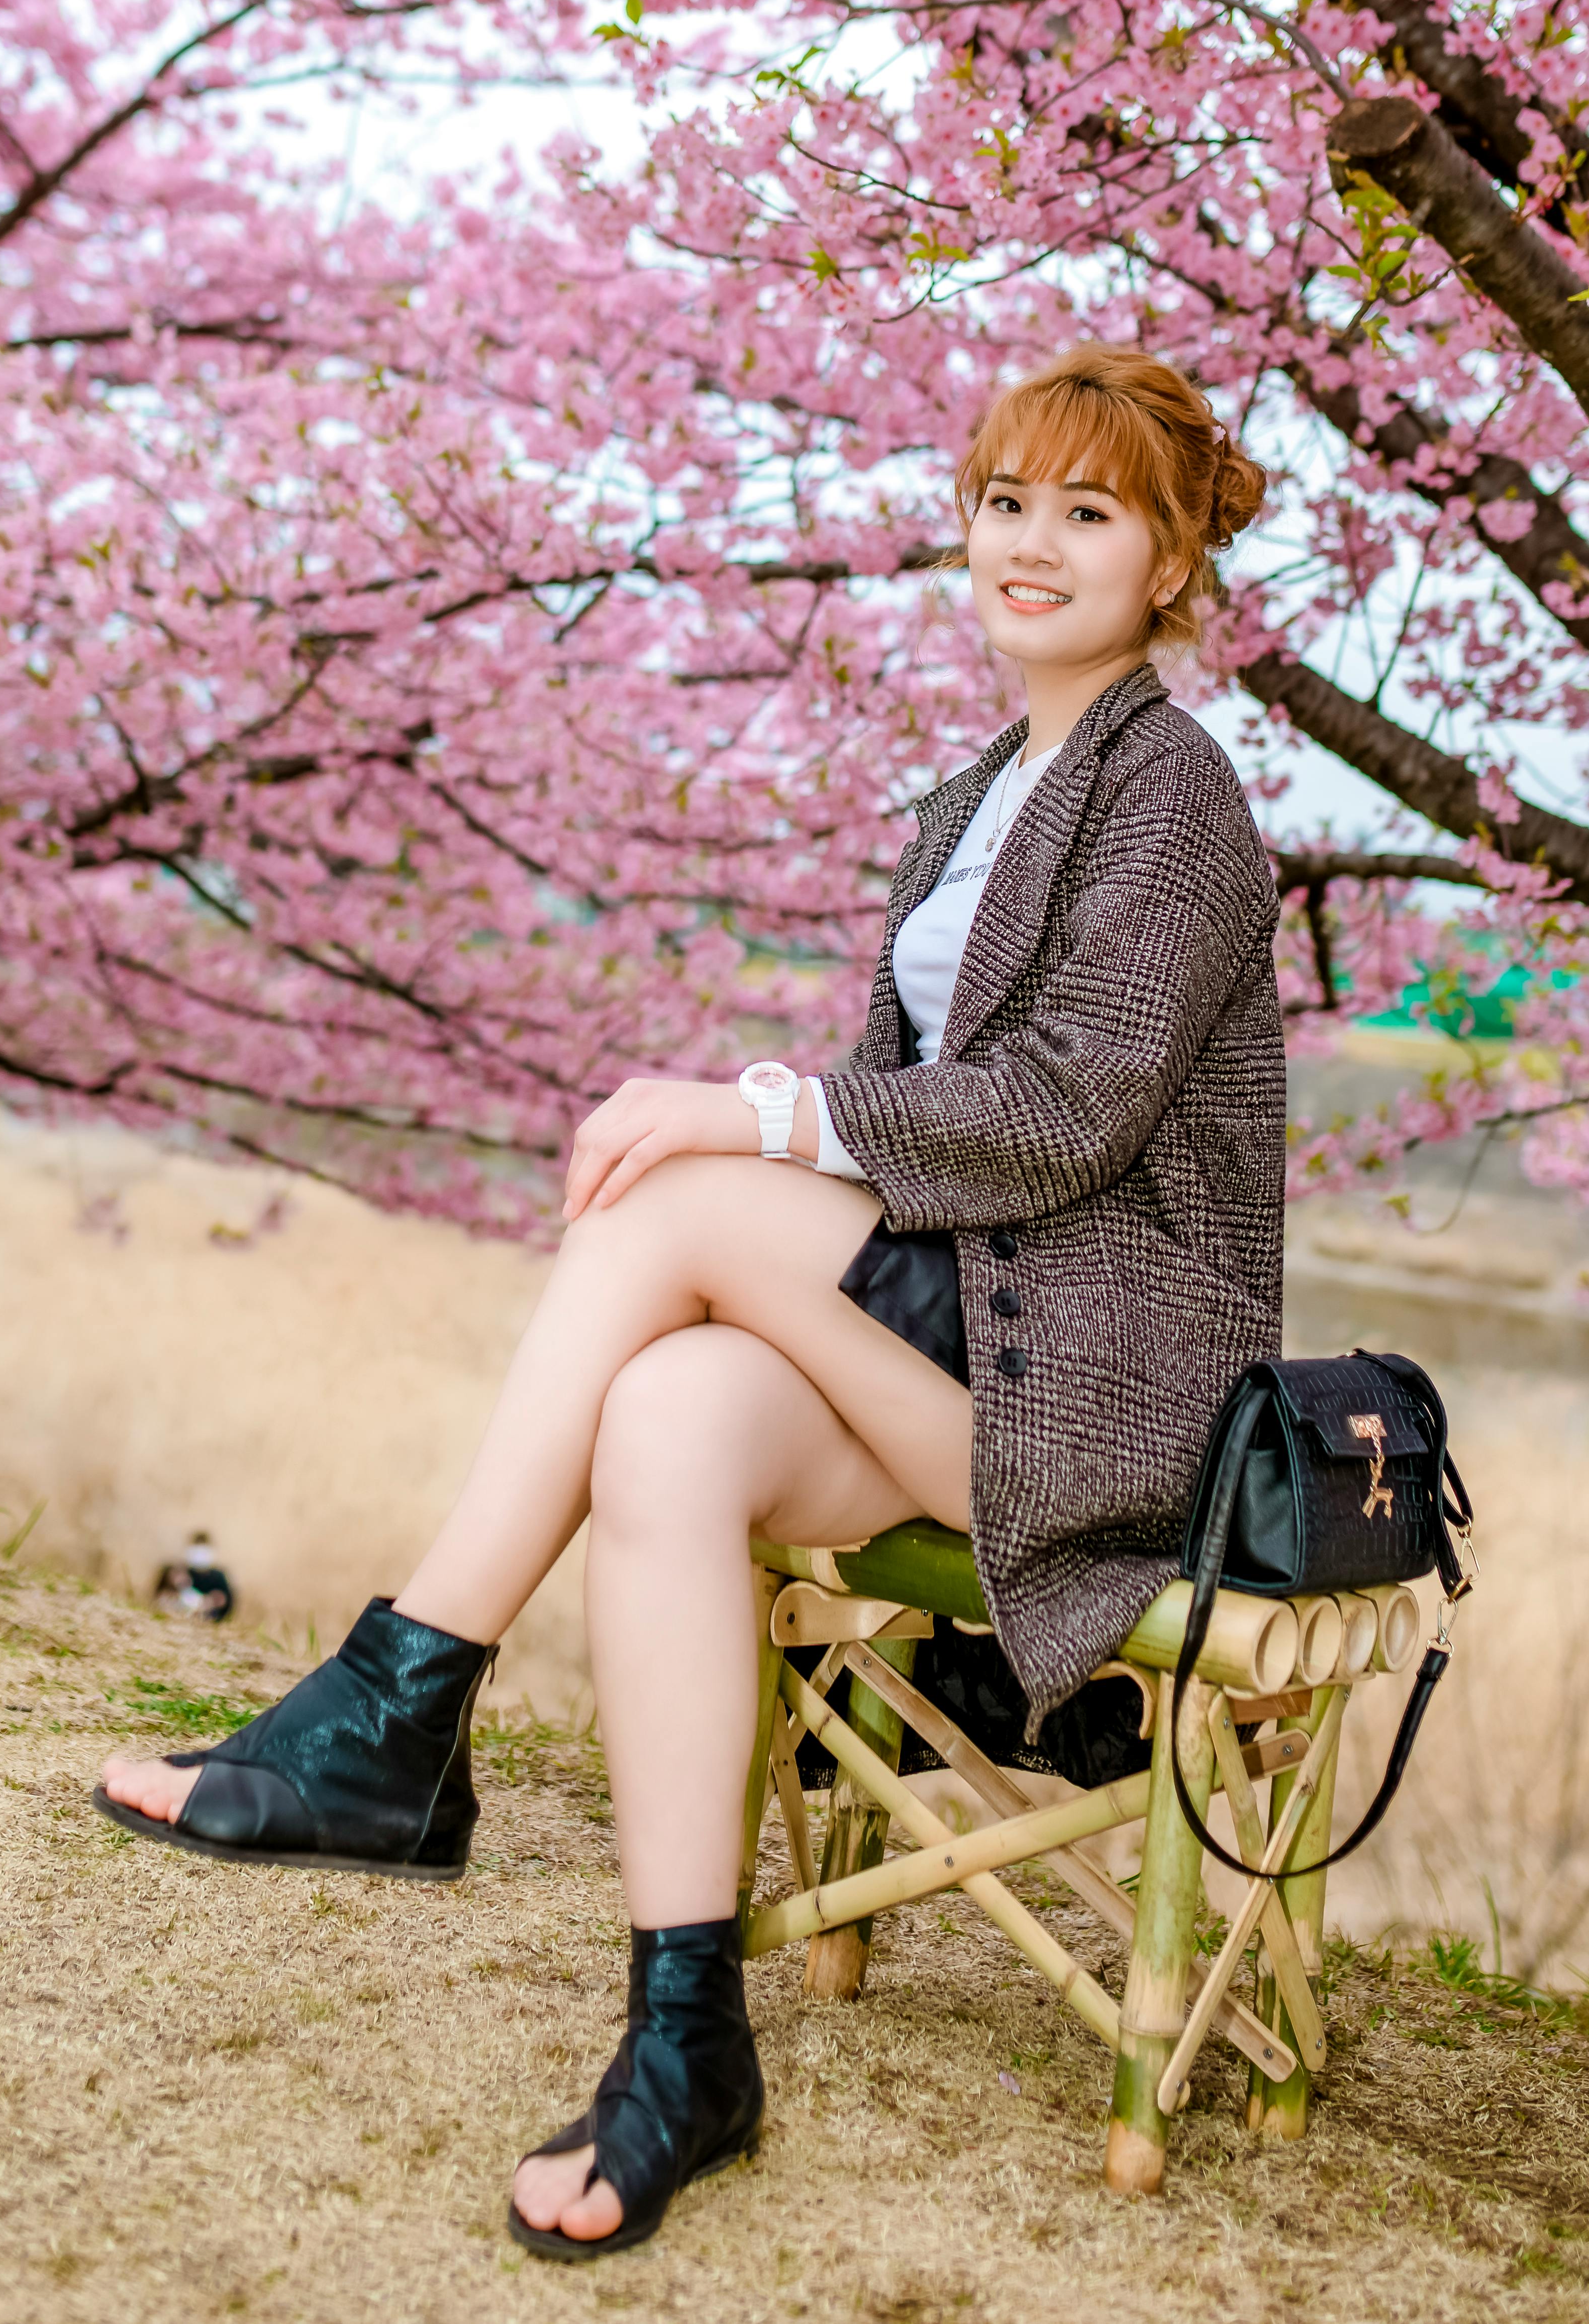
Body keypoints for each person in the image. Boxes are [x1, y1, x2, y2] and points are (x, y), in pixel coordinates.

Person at [95, 342, 1282, 2261]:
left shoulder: (1180, 799)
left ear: (1166, 563)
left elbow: (1060, 1117)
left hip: (1109, 1400)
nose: (1033, 544)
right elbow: (911, 1144)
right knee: (663, 1416)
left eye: (1091, 511)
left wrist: (755, 1107)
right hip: (974, 1356)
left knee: (676, 1195)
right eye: (1005, 501)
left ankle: (401, 1709)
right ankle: (685, 2033)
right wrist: (778, 1134)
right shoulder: (988, 790)